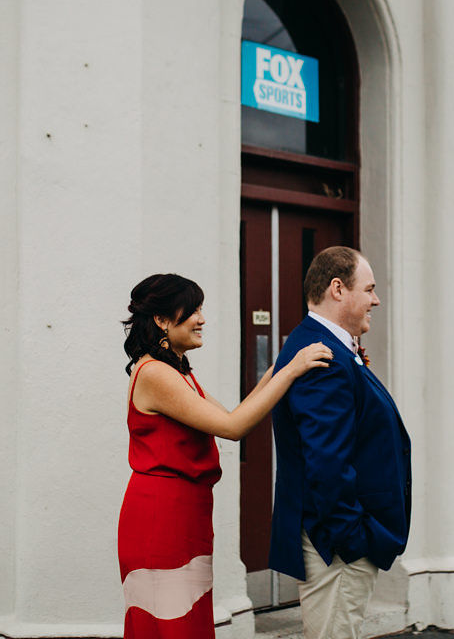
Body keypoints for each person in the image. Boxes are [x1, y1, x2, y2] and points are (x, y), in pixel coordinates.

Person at [117, 273, 332, 639]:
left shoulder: (178, 371)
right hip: (161, 519)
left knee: (189, 620)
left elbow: (233, 414)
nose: (202, 319)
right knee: (173, 625)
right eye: (193, 310)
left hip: (185, 514)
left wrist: (284, 365)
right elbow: (234, 428)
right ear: (162, 320)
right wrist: (293, 369)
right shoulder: (155, 374)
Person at [268, 247, 411, 639]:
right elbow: (327, 463)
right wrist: (354, 541)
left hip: (342, 543)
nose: (376, 300)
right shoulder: (322, 357)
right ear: (337, 289)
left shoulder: (322, 344)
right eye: (369, 289)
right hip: (338, 549)